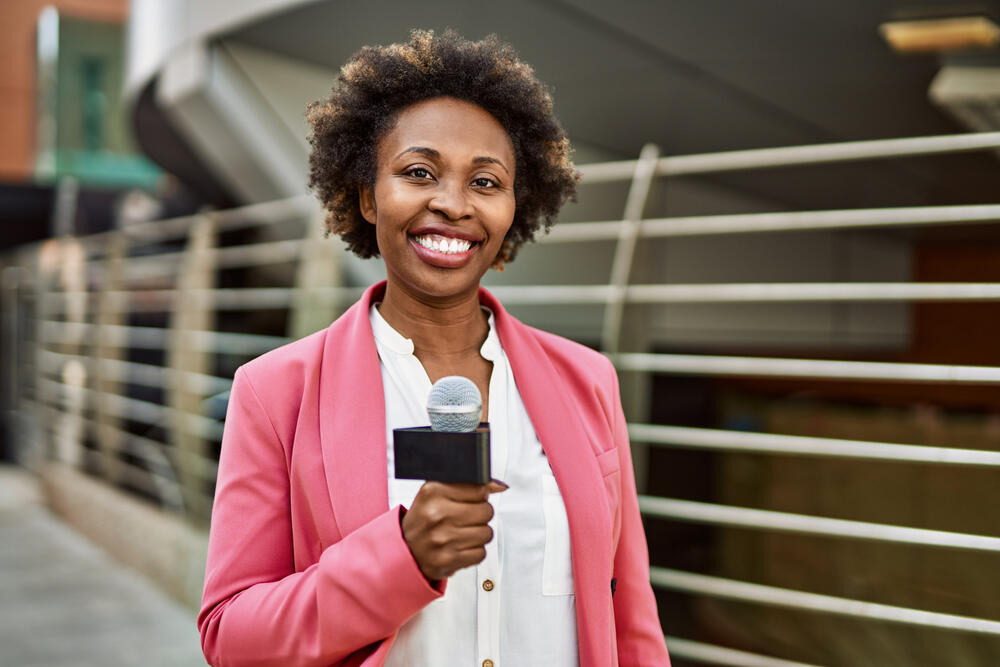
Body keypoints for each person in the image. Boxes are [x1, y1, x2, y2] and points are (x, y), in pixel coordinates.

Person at [198, 29, 670, 667]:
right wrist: (401, 558)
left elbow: (630, 613)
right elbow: (230, 638)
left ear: (513, 208)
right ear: (367, 196)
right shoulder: (276, 390)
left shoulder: (587, 378)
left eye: (486, 181)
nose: (452, 204)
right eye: (419, 172)